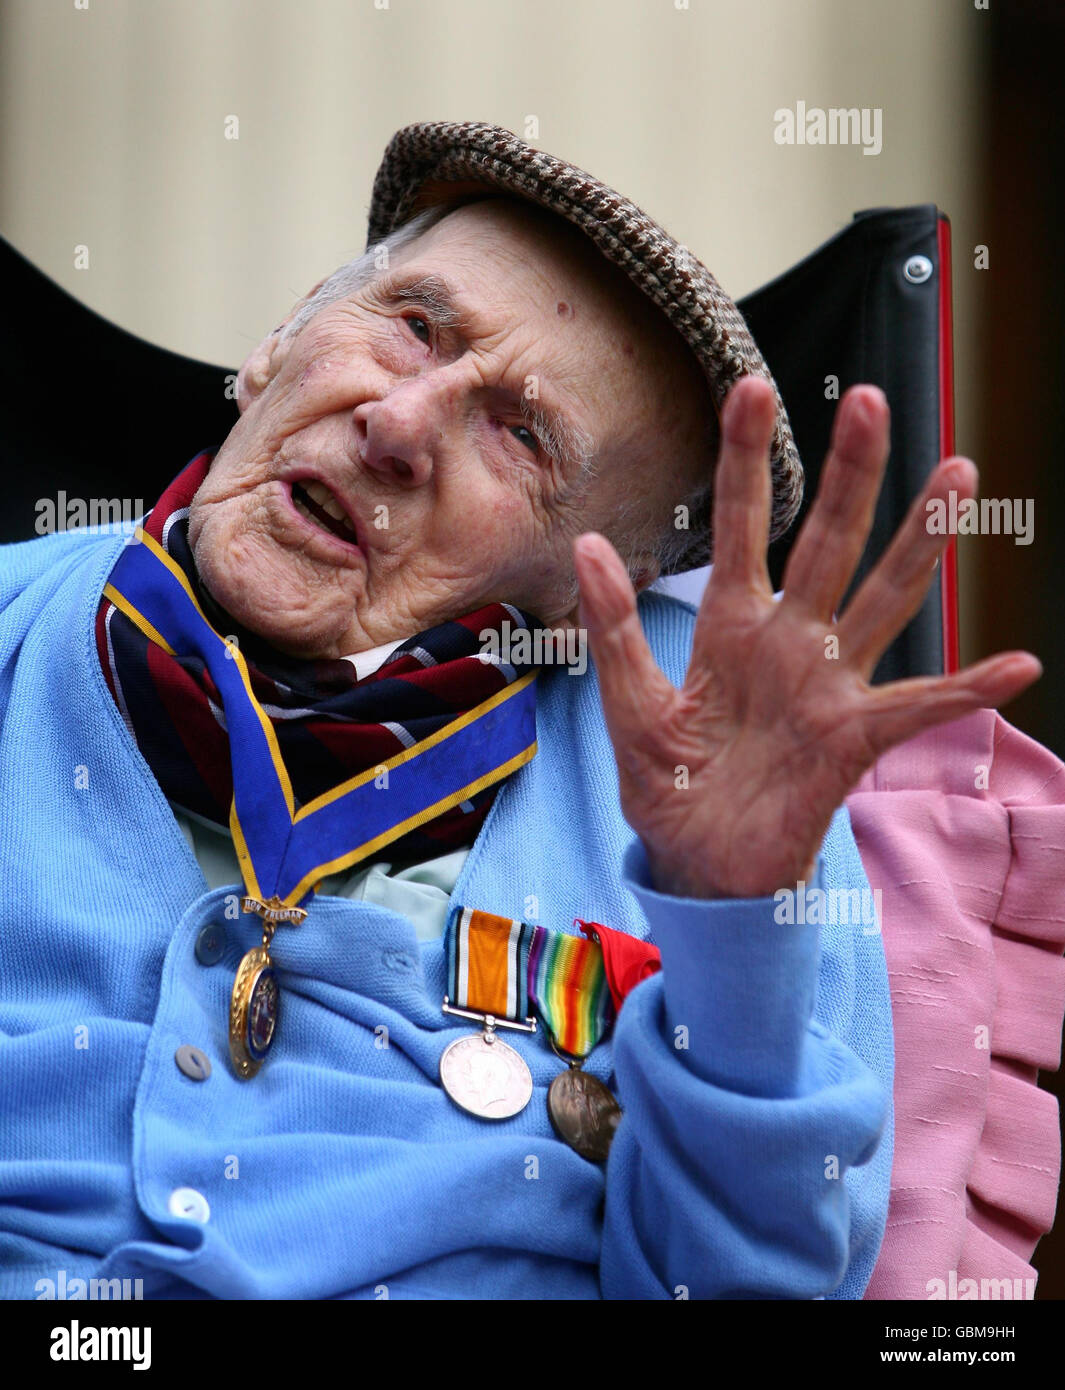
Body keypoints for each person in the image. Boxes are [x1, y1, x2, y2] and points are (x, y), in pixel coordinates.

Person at [0, 121, 1041, 1300]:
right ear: (278, 337)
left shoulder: (727, 773)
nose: (396, 426)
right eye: (411, 326)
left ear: (602, 581)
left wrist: (729, 938)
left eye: (522, 433)